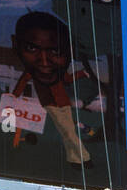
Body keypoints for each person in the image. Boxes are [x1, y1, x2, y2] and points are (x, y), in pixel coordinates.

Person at [10, 12, 93, 167]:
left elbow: (67, 79)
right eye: (32, 48)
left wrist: (81, 74)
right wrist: (12, 98)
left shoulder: (57, 72)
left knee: (67, 132)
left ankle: (75, 159)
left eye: (55, 51)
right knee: (68, 131)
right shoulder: (33, 72)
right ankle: (84, 158)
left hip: (63, 103)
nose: (44, 61)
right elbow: (22, 83)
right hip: (50, 104)